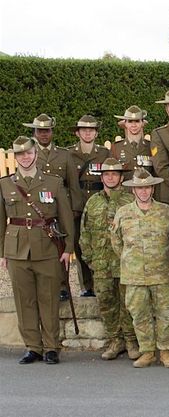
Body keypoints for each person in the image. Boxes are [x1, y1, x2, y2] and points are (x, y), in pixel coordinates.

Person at [1, 137, 75, 365]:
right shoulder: (5, 184)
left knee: (49, 299)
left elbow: (66, 217)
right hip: (17, 250)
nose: (25, 157)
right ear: (15, 157)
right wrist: (2, 253)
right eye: (21, 154)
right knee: (24, 301)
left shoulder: (52, 183)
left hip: (48, 248)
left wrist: (69, 248)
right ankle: (33, 347)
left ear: (35, 154)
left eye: (29, 153)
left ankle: (51, 346)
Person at [112, 168, 169, 368]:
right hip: (134, 274)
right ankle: (147, 351)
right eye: (139, 188)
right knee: (139, 314)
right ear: (133, 190)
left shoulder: (166, 211)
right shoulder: (123, 213)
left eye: (147, 187)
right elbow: (116, 242)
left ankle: (165, 351)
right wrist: (131, 260)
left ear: (153, 189)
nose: (143, 192)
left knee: (164, 314)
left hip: (161, 272)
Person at [78, 158, 137, 361]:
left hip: (125, 264)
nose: (110, 177)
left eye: (114, 174)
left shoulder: (130, 201)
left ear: (121, 177)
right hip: (101, 264)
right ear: (102, 177)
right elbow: (84, 232)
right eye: (106, 174)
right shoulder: (93, 202)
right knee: (107, 304)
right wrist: (90, 259)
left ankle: (130, 341)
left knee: (128, 303)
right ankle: (115, 340)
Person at [24, 114, 83, 301]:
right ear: (34, 132)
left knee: (63, 247)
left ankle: (64, 286)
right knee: (44, 248)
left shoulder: (64, 154)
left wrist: (75, 207)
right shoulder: (29, 154)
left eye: (46, 131)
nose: (43, 134)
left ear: (52, 132)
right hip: (40, 210)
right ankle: (47, 285)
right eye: (40, 131)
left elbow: (73, 183)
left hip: (61, 207)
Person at [68, 115, 110, 298]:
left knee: (101, 243)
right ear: (77, 132)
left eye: (91, 129)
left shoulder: (104, 154)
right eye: (84, 129)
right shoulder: (68, 153)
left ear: (96, 133)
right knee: (79, 244)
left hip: (98, 203)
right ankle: (86, 285)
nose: (87, 132)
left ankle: (102, 282)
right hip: (77, 204)